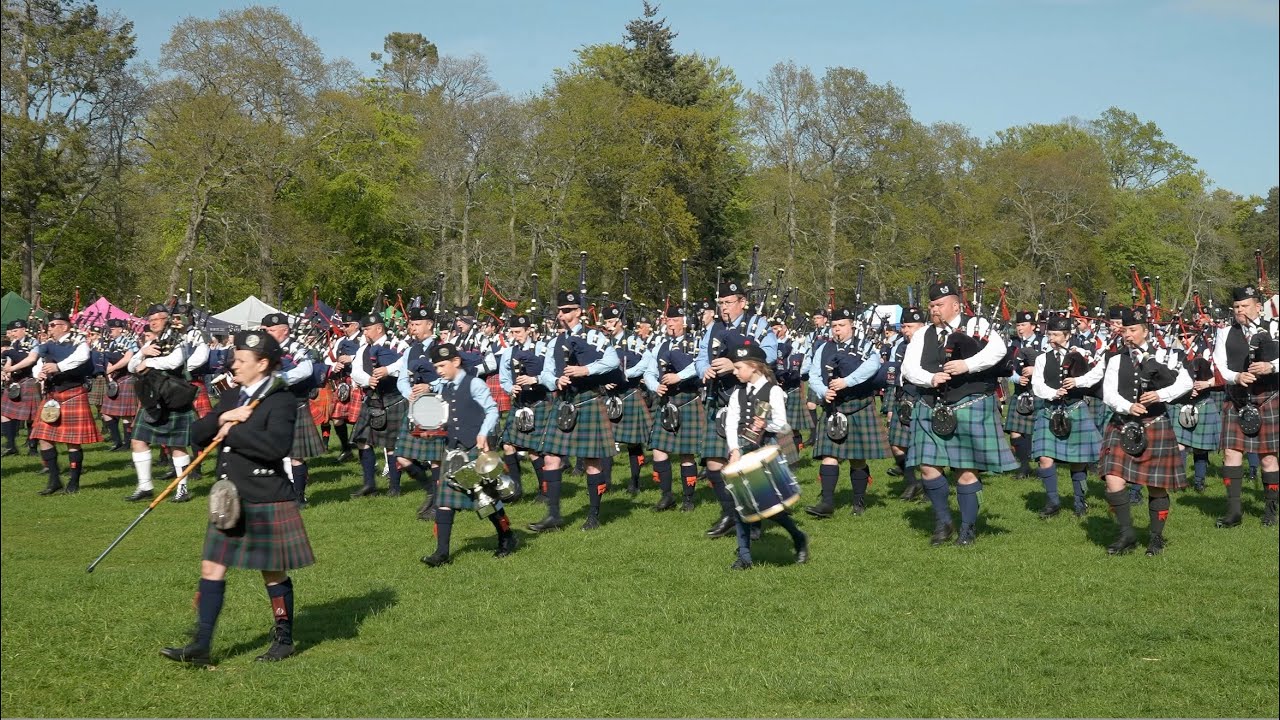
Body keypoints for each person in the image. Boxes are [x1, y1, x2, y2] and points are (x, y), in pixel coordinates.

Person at [160, 330, 314, 666]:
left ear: (262, 364)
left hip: (265, 496)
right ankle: (201, 645)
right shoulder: (232, 397)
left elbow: (277, 447)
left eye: (242, 360)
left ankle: (284, 638)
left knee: (272, 572)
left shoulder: (281, 399)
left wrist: (236, 431)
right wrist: (224, 417)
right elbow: (197, 434)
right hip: (228, 499)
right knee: (211, 567)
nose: (235, 364)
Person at [901, 282, 1018, 547]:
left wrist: (967, 364)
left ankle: (967, 528)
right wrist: (930, 378)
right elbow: (908, 369)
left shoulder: (977, 324)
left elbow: (998, 351)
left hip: (970, 402)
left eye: (939, 304)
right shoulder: (923, 334)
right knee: (928, 468)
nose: (934, 309)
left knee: (966, 470)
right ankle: (943, 521)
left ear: (955, 305)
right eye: (931, 305)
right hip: (931, 404)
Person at [1099, 307, 1193, 555]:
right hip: (1122, 422)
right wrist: (1128, 405)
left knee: (1156, 485)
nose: (1128, 335)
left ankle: (1156, 537)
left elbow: (1186, 382)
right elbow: (1108, 393)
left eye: (1133, 330)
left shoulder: (1166, 355)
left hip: (1155, 423)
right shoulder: (1116, 359)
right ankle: (1127, 533)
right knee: (1112, 479)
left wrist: (1160, 394)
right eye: (1125, 330)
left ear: (1146, 331)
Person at [530, 291, 620, 532]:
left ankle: (593, 515)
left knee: (592, 462)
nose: (562, 315)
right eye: (560, 311)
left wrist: (586, 370)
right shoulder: (554, 341)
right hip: (564, 402)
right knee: (550, 457)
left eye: (567, 310)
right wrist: (555, 381)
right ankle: (554, 515)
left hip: (589, 400)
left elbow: (612, 361)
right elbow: (547, 372)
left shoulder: (595, 336)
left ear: (579, 311)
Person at [420, 342, 516, 566]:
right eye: (436, 367)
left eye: (442, 365)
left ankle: (506, 536)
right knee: (444, 502)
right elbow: (448, 417)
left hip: (473, 448)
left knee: (487, 500)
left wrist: (483, 434)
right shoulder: (445, 387)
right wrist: (431, 431)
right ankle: (441, 553)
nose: (439, 370)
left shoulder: (474, 384)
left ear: (456, 362)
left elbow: (492, 410)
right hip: (452, 452)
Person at [696, 280, 778, 539]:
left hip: (752, 399)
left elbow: (771, 354)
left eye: (728, 302)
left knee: (749, 464)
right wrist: (704, 370)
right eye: (720, 303)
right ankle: (731, 513)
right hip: (720, 399)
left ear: (742, 302)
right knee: (713, 462)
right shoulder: (714, 328)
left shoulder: (758, 324)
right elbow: (700, 355)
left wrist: (736, 366)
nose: (723, 308)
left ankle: (755, 521)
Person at [722, 341, 808, 569]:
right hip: (743, 449)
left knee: (769, 506)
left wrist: (766, 424)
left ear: (754, 367)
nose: (735, 371)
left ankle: (798, 537)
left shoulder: (774, 390)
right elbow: (730, 423)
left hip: (765, 450)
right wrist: (734, 450)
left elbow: (782, 425)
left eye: (738, 367)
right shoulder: (737, 393)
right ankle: (744, 557)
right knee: (740, 502)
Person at [805, 307, 888, 518]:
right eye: (834, 326)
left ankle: (858, 502)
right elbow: (813, 375)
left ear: (852, 325)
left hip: (859, 404)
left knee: (857, 459)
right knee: (829, 455)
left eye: (841, 325)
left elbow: (873, 365)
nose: (837, 330)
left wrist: (846, 382)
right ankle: (827, 503)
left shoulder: (865, 345)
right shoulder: (824, 348)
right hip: (833, 407)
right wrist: (824, 391)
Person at [1212, 285, 1279, 527]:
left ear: (1258, 307)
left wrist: (1272, 366)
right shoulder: (1225, 332)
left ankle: (1271, 509)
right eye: (1236, 307)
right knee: (1231, 453)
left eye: (1244, 306)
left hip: (1267, 397)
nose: (1240, 310)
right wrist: (1236, 377)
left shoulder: (1274, 327)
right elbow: (1219, 364)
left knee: (1268, 458)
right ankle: (1234, 512)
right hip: (1237, 399)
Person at [1030, 315, 1103, 518]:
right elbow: (1037, 384)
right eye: (1049, 334)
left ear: (1068, 335)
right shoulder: (1042, 358)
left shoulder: (1081, 354)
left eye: (1056, 335)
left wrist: (1077, 381)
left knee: (1078, 460)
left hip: (1075, 408)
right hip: (1049, 410)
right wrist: (1053, 393)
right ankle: (1053, 502)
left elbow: (1094, 376)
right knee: (1044, 458)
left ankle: (1080, 502)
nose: (1051, 338)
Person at [125, 305, 197, 503]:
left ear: (168, 319)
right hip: (152, 397)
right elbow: (132, 367)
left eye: (158, 318)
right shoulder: (151, 342)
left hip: (173, 395)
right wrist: (143, 352)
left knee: (177, 445)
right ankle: (145, 486)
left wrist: (147, 363)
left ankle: (181, 489)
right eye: (151, 319)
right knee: (137, 440)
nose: (153, 322)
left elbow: (174, 362)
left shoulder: (181, 339)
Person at [26, 311, 101, 494]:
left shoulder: (78, 341)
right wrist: (39, 373)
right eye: (49, 325)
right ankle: (54, 480)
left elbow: (82, 357)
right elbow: (36, 363)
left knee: (72, 442)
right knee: (43, 438)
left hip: (73, 392)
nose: (49, 328)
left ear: (64, 326)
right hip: (52, 395)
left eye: (53, 325)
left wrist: (58, 367)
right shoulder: (47, 345)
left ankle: (74, 482)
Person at [644, 306, 706, 512]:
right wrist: (655, 386)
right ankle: (667, 496)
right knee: (659, 451)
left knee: (686, 454)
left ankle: (688, 499)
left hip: (688, 399)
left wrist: (679, 376)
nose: (670, 323)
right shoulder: (660, 345)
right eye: (668, 319)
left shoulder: (696, 341)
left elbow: (700, 364)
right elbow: (649, 371)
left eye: (675, 319)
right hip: (666, 401)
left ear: (684, 322)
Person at [261, 313, 327, 507]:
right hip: (271, 404)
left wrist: (281, 378)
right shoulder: (264, 349)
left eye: (271, 330)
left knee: (296, 455)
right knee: (273, 452)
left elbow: (306, 370)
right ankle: (280, 491)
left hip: (294, 403)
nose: (268, 333)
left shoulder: (296, 348)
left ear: (285, 330)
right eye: (265, 330)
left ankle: (299, 496)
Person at [349, 313, 406, 497]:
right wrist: (368, 379)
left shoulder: (397, 344)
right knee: (362, 440)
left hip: (392, 399)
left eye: (366, 329)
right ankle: (369, 484)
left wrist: (388, 370)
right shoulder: (363, 349)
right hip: (372, 398)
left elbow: (406, 364)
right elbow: (355, 371)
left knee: (391, 445)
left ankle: (395, 487)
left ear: (379, 328)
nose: (364, 332)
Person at [885, 307, 928, 500]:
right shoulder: (899, 346)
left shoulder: (931, 344)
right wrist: (890, 406)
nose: (905, 330)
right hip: (903, 398)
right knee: (896, 445)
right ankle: (912, 482)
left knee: (926, 449)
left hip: (925, 399)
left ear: (922, 326)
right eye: (903, 326)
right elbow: (894, 375)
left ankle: (931, 485)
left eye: (910, 326)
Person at [1003, 310, 1043, 478]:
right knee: (1015, 432)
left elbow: (1053, 366)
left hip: (1039, 391)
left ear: (1033, 326)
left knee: (1038, 431)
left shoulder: (1044, 342)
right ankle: (1024, 465)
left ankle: (1043, 466)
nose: (1020, 328)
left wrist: (1036, 369)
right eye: (1018, 325)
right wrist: (1017, 378)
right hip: (1020, 391)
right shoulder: (1013, 345)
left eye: (1023, 325)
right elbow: (1006, 368)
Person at [99, 319, 140, 452]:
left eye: (112, 330)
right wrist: (108, 368)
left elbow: (128, 359)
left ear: (120, 329)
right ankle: (117, 442)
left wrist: (111, 369)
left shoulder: (129, 342)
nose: (109, 332)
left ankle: (127, 443)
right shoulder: (110, 344)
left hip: (127, 378)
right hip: (115, 379)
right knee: (106, 413)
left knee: (126, 415)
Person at [1, 319, 40, 456]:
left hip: (28, 380)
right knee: (5, 414)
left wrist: (12, 367)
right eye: (12, 331)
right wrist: (7, 371)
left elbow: (31, 359)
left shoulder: (33, 342)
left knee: (32, 417)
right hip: (14, 381)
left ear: (24, 329)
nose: (13, 333)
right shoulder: (13, 343)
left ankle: (33, 447)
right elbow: (10, 361)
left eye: (16, 331)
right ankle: (11, 446)